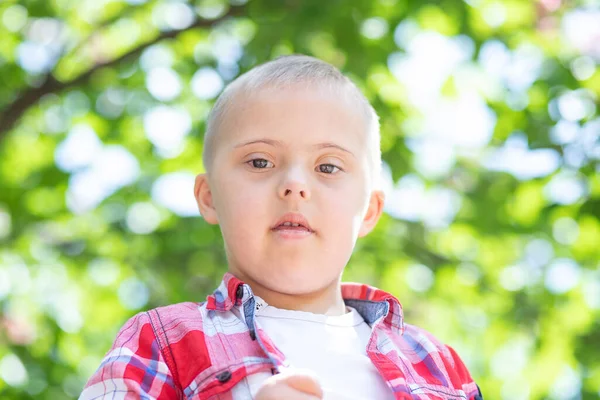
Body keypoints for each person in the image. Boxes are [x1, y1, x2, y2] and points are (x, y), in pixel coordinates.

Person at [80, 54, 483, 400]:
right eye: (260, 162)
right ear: (209, 197)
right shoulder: (164, 340)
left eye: (328, 166)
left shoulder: (436, 364)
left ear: (370, 210)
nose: (295, 184)